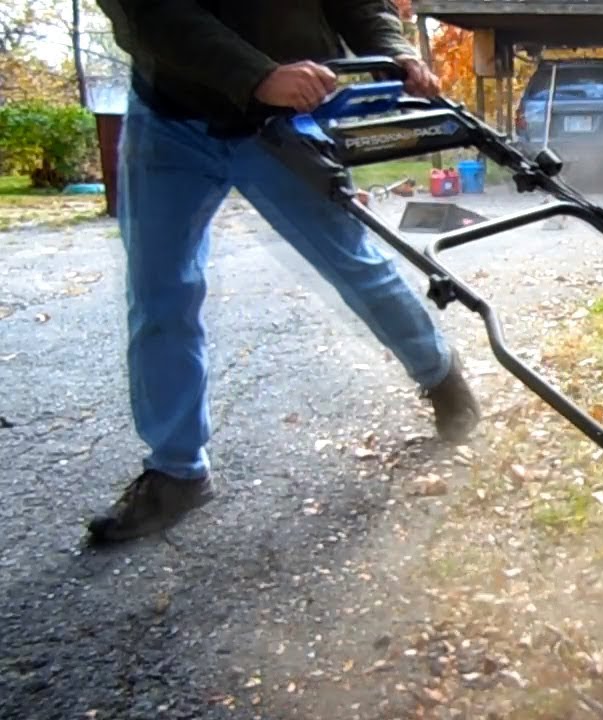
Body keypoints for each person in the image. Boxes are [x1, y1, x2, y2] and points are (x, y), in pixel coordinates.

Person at [87, 1, 481, 544]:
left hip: (284, 118)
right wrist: (256, 76)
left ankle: (439, 373)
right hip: (173, 115)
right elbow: (150, 11)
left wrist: (394, 50)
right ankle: (176, 470)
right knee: (160, 294)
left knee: (354, 262)